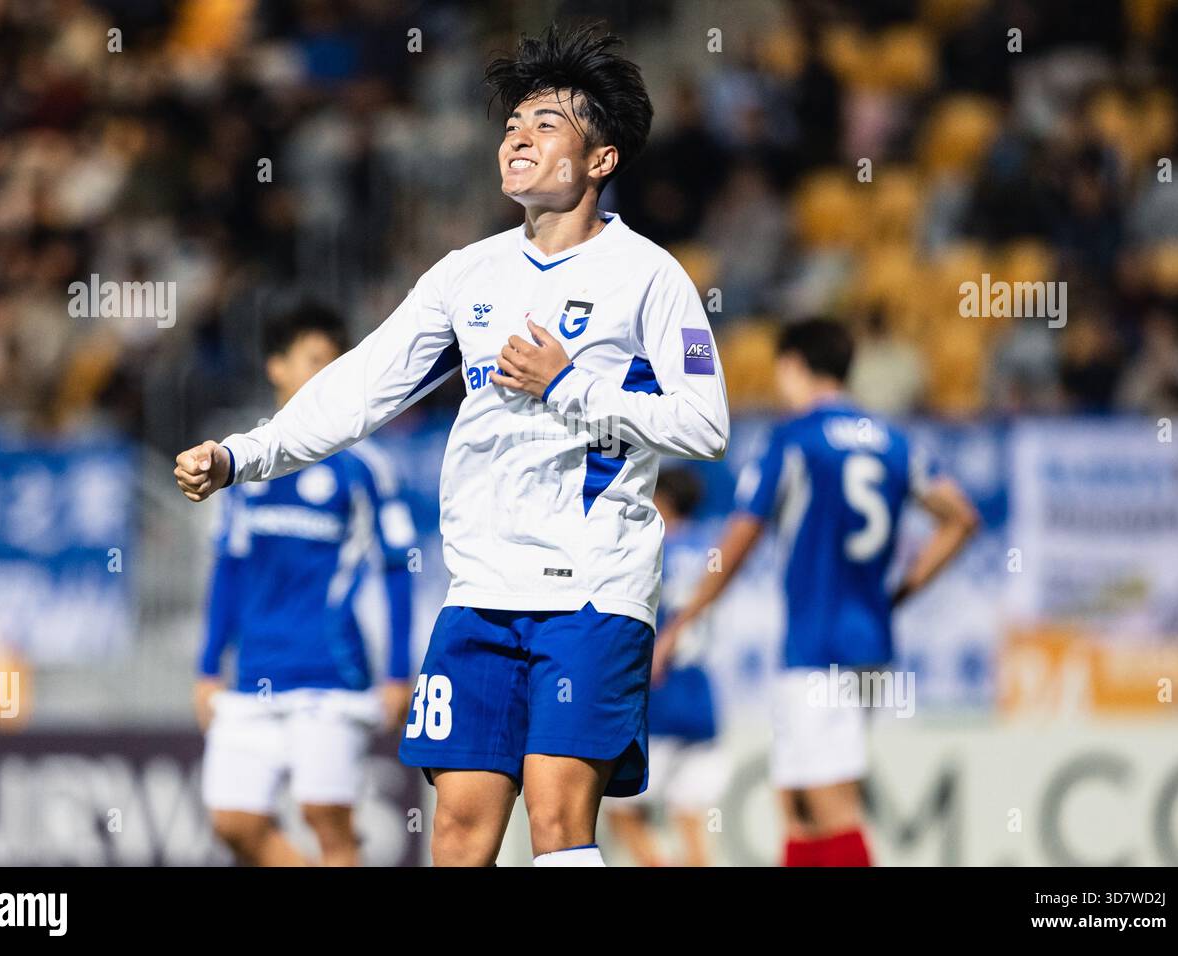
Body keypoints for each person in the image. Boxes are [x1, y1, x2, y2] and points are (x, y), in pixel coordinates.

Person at [174, 24, 729, 867]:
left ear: (602, 159)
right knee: (462, 827)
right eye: (514, 123)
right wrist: (245, 455)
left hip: (593, 590)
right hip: (479, 593)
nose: (518, 135)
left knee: (555, 814)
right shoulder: (465, 274)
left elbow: (706, 423)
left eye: (546, 124)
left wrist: (566, 385)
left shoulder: (649, 276)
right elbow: (359, 385)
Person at [654, 318, 977, 867]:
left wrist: (680, 624)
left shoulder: (796, 439)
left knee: (831, 808)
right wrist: (900, 592)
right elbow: (961, 519)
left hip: (816, 648)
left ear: (793, 366)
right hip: (869, 642)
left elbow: (737, 544)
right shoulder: (893, 441)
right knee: (798, 803)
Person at [195, 302, 417, 866]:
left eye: (335, 361)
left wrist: (397, 671)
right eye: (315, 359)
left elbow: (398, 572)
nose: (327, 372)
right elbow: (229, 570)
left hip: (330, 675)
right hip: (253, 675)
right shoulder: (242, 464)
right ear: (277, 367)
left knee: (329, 823)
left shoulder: (362, 466)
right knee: (234, 822)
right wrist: (206, 666)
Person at [605, 469, 728, 866]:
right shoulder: (712, 551)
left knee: (620, 812)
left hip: (658, 701)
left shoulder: (654, 547)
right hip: (702, 702)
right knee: (690, 818)